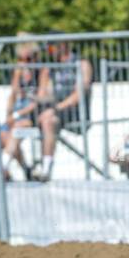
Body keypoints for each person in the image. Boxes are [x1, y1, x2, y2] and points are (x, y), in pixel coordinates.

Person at [31, 41, 94, 182]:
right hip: (53, 113)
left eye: (51, 47)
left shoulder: (81, 64)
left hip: (76, 114)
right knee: (28, 122)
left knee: (48, 119)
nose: (49, 51)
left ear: (62, 45)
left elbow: (79, 94)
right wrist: (33, 97)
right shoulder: (50, 68)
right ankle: (38, 169)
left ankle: (45, 168)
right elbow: (44, 94)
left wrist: (56, 108)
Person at [0, 39, 41, 180]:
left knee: (16, 131)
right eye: (20, 59)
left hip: (32, 117)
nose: (24, 63)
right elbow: (13, 95)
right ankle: (25, 169)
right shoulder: (19, 73)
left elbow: (36, 103)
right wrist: (8, 115)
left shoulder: (42, 72)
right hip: (17, 115)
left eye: (28, 59)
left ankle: (1, 167)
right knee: (0, 137)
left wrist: (16, 115)